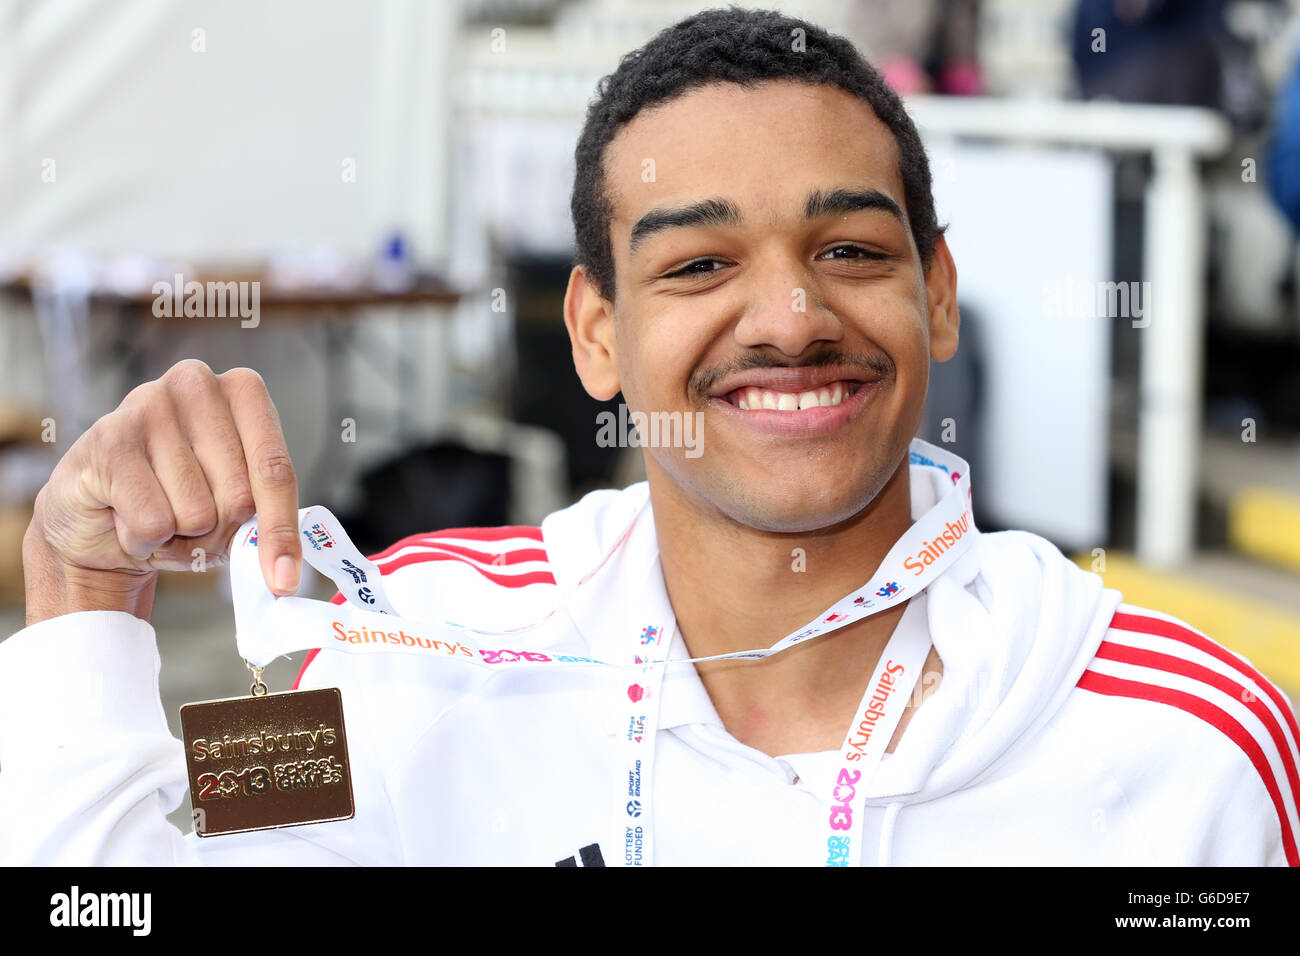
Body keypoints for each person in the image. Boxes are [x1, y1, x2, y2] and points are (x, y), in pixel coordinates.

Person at [2, 7, 1295, 866]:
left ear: (937, 294)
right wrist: (81, 597)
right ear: (596, 332)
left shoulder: (1200, 746)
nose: (789, 319)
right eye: (698, 265)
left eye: (849, 249)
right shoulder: (400, 653)